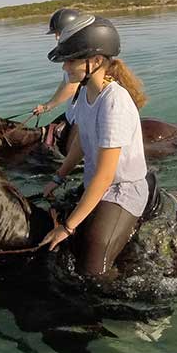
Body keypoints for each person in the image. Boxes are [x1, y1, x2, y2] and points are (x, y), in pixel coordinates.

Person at [39, 17, 149, 277]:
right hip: (96, 185)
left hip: (122, 191)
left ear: (96, 61)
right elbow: (80, 142)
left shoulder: (114, 102)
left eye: (71, 60)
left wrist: (67, 227)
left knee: (90, 269)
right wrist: (58, 176)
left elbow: (105, 175)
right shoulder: (86, 94)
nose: (65, 66)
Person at [32, 8, 94, 116]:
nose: (56, 38)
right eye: (55, 33)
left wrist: (48, 106)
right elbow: (65, 82)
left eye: (59, 33)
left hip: (80, 117)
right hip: (72, 114)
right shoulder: (71, 55)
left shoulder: (79, 56)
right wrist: (48, 104)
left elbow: (71, 87)